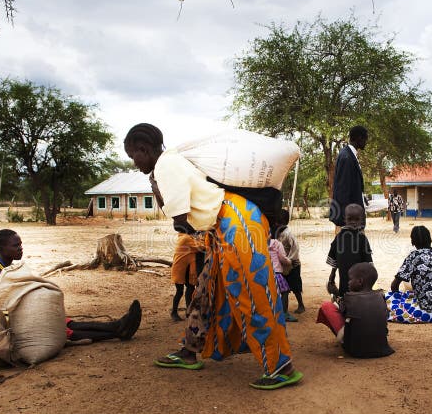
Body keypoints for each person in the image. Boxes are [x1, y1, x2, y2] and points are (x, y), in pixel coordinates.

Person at [124, 123, 302, 390]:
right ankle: (189, 349)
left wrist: (158, 189)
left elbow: (180, 222)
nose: (133, 163)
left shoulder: (166, 165)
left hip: (236, 224)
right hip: (228, 224)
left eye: (132, 156)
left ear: (143, 148)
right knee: (206, 290)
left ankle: (280, 366)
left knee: (252, 294)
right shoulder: (171, 162)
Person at [0, 229, 141, 342]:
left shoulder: (9, 267)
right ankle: (116, 333)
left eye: (20, 244)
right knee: (64, 331)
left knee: (66, 322)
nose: (20, 248)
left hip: (20, 316)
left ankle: (117, 325)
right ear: (1, 249)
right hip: (10, 324)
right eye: (15, 246)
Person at [316, 263, 394, 359]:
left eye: (350, 279)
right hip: (382, 348)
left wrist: (336, 298)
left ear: (360, 281)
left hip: (356, 350)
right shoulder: (381, 295)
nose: (348, 282)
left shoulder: (349, 297)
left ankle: (345, 342)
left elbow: (343, 313)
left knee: (327, 306)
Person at [387, 225, 432, 323]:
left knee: (388, 297)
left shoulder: (413, 256)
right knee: (410, 294)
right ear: (430, 240)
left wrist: (396, 298)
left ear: (412, 242)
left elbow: (394, 285)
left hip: (426, 307)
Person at [326, 204, 373, 298]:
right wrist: (332, 275)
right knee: (350, 294)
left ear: (361, 220)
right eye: (350, 219)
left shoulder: (359, 238)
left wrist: (332, 275)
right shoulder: (359, 238)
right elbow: (369, 263)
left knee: (346, 294)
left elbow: (368, 262)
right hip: (349, 277)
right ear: (345, 219)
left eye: (356, 219)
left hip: (358, 277)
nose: (353, 222)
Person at [330, 126, 368, 230]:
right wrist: (348, 223)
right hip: (350, 223)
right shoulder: (347, 157)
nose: (366, 142)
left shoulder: (349, 155)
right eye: (365, 138)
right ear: (359, 138)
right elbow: (343, 190)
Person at [276, 208, 306, 315]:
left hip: (293, 265)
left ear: (283, 223)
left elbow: (295, 247)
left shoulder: (288, 234)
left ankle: (301, 304)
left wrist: (290, 260)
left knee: (295, 286)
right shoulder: (278, 233)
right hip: (283, 265)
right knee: (284, 288)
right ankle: (284, 309)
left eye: (278, 222)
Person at [170, 232, 203, 322]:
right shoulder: (186, 239)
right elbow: (201, 247)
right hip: (179, 270)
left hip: (187, 270)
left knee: (190, 288)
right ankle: (174, 312)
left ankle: (189, 311)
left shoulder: (186, 238)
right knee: (179, 292)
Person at [268, 233, 297, 323]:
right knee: (284, 292)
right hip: (276, 273)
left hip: (265, 273)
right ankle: (284, 314)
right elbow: (282, 258)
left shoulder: (259, 243)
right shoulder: (277, 243)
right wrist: (290, 262)